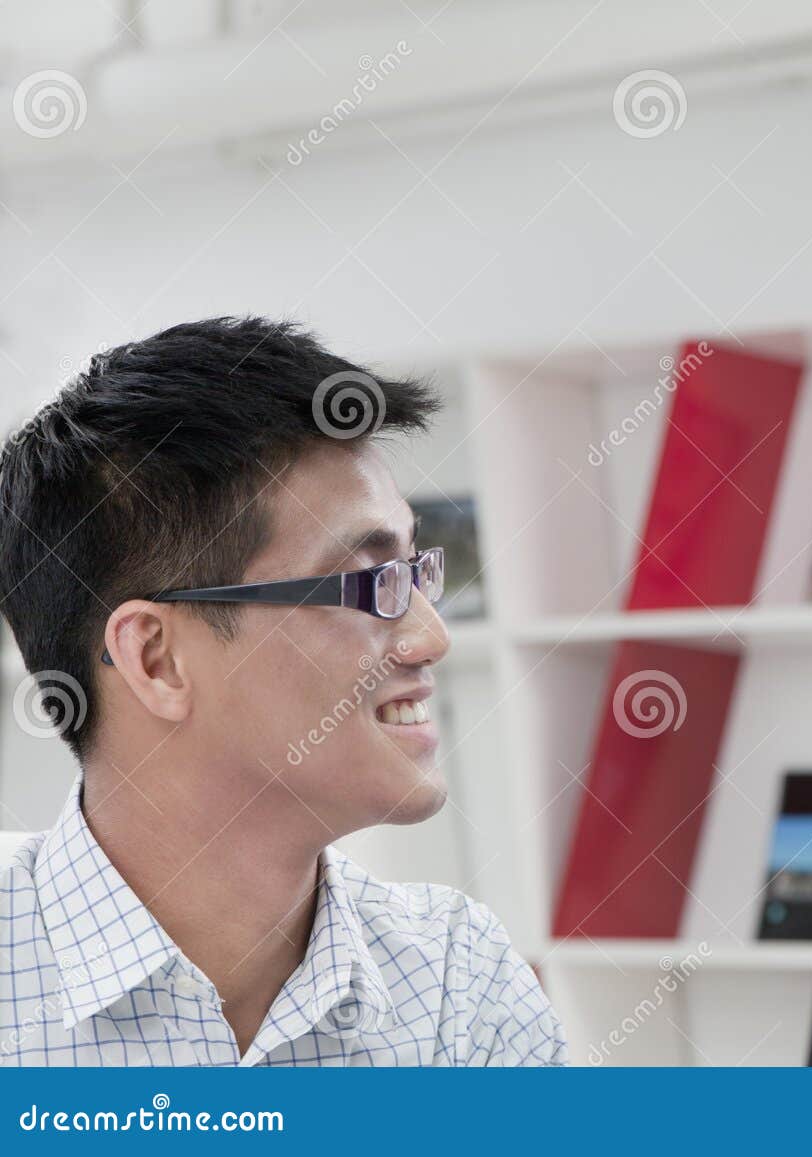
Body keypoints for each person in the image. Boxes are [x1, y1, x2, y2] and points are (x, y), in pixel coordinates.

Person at [0, 317, 566, 1066]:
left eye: (415, 572)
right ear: (157, 659)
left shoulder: (460, 983)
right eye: (371, 583)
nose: (430, 637)